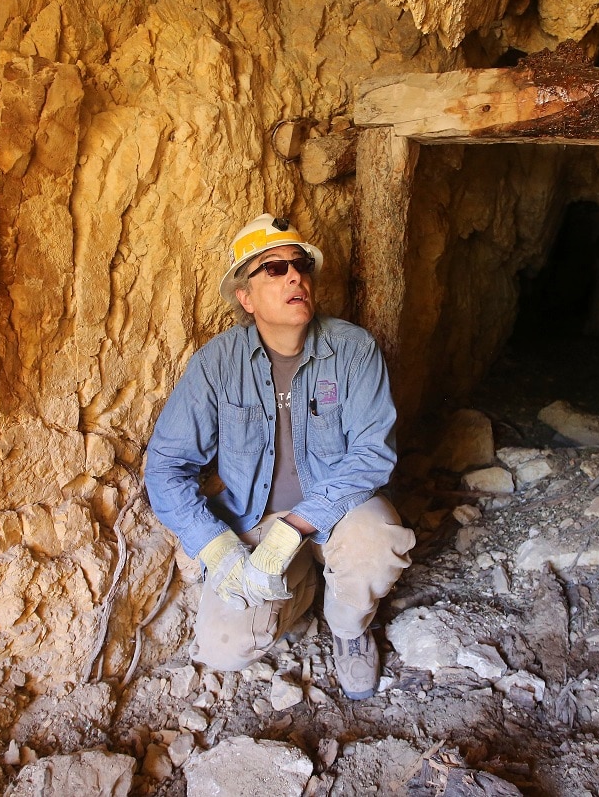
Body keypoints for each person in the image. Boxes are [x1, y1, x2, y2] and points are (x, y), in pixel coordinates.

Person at [144, 213, 416, 700]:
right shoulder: (217, 364)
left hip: (339, 515)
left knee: (377, 543)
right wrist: (215, 546)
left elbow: (372, 453)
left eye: (301, 265)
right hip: (256, 522)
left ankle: (349, 628)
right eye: (274, 268)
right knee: (223, 648)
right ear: (245, 298)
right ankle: (305, 586)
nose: (295, 276)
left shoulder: (353, 350)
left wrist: (297, 526)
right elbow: (166, 466)